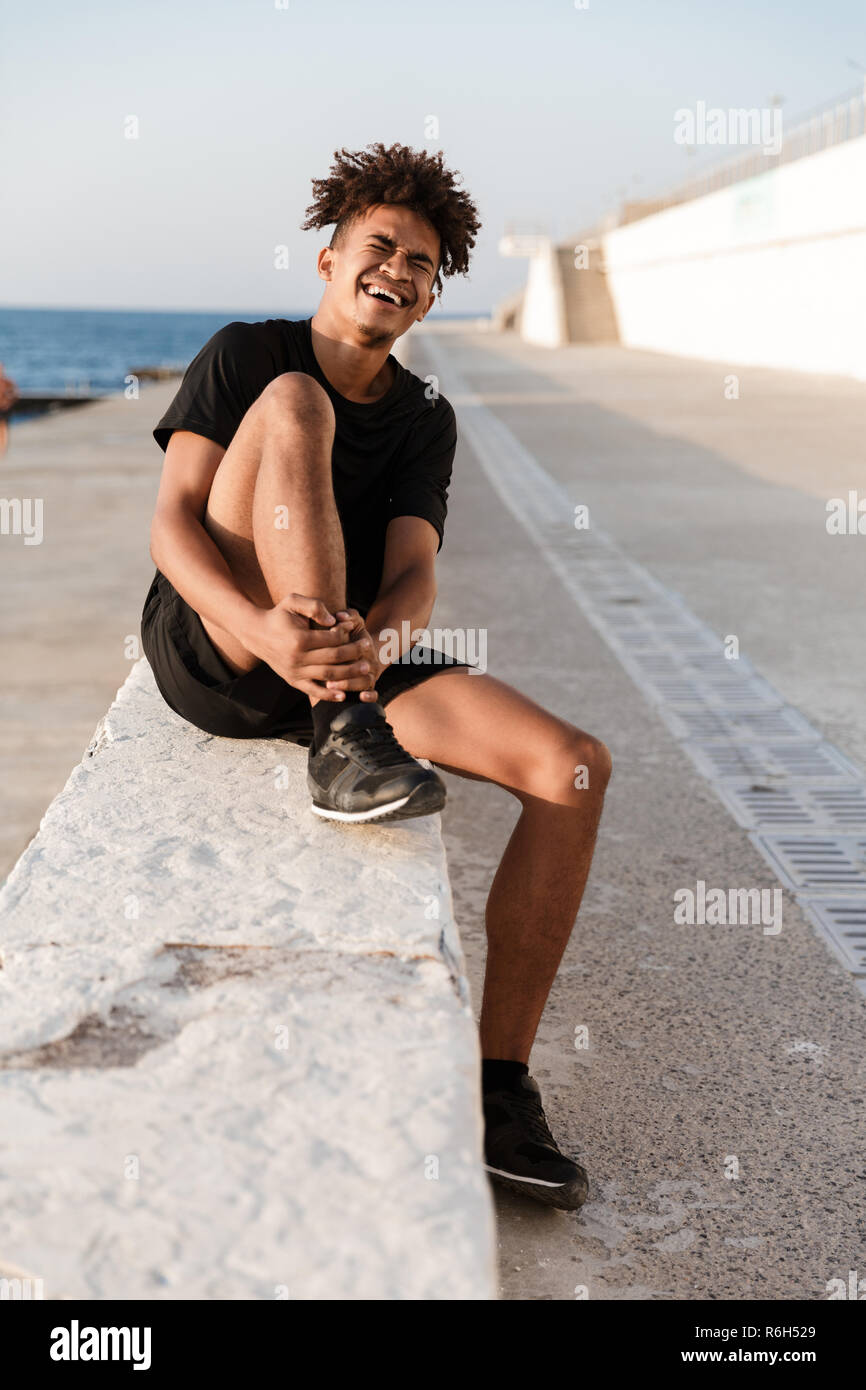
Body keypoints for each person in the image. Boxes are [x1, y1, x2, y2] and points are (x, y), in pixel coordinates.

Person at [141, 142, 612, 1211]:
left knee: (572, 768)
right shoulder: (246, 353)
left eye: (425, 262)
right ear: (327, 257)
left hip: (348, 651)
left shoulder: (424, 417)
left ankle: (498, 1087)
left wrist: (371, 647)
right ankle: (344, 733)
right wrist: (263, 626)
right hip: (223, 637)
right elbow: (175, 527)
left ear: (433, 292)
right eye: (380, 246)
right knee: (299, 404)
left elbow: (412, 575)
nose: (399, 269)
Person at [0, 362, 19, 457]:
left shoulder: (7, 382)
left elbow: (15, 394)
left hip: (4, 408)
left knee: (3, 428)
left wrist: (8, 403)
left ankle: (3, 448)